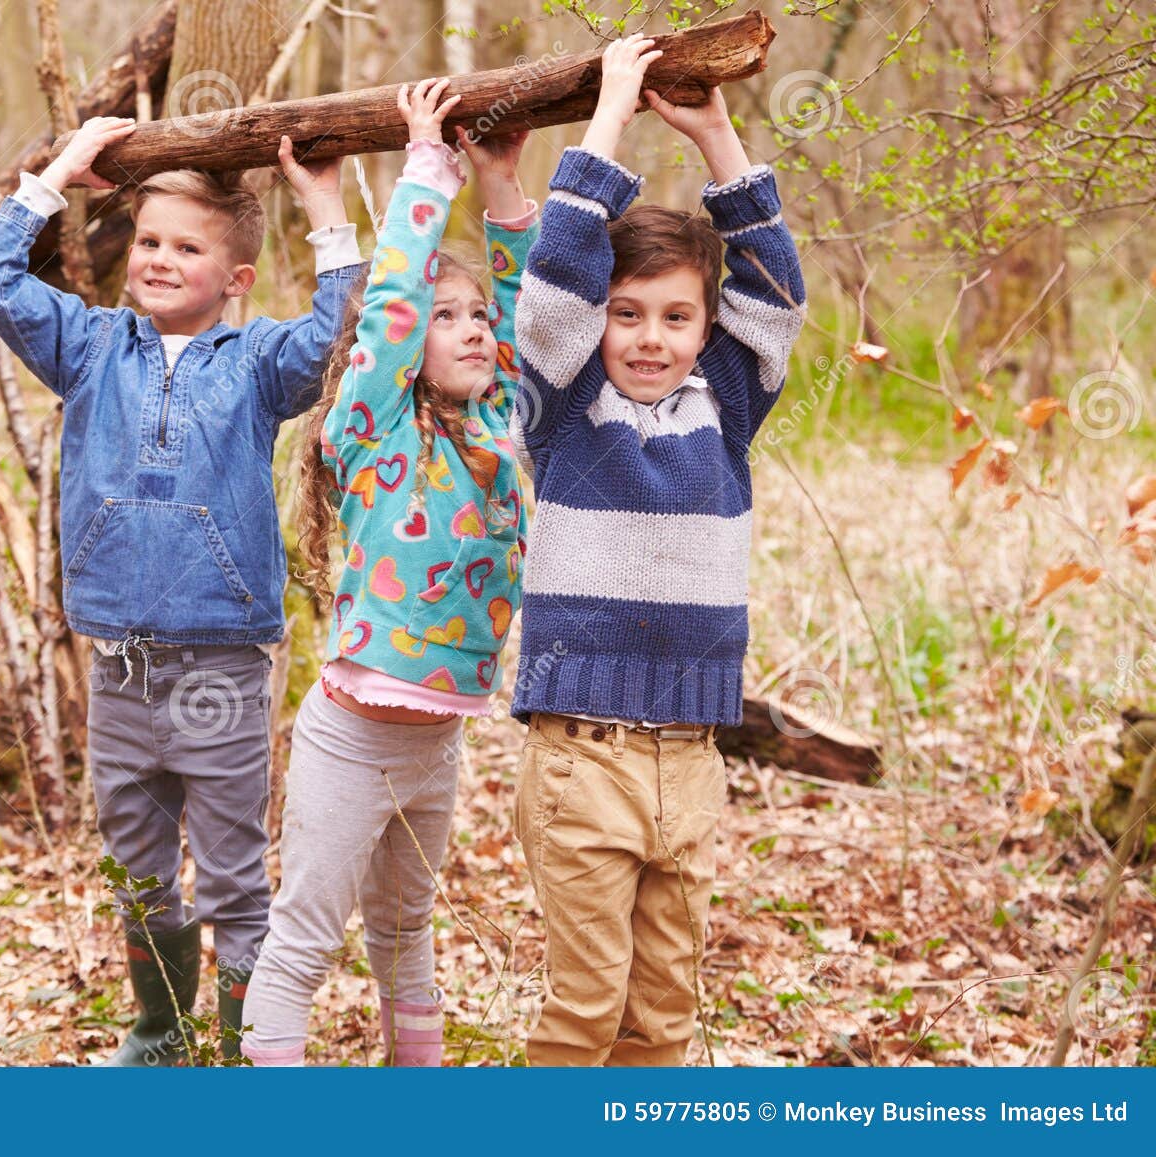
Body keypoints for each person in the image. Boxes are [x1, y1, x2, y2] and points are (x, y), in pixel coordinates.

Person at [0, 117, 362, 1065]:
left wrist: (322, 206)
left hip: (221, 658)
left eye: (187, 247)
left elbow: (340, 333)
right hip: (119, 668)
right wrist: (55, 174)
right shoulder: (89, 345)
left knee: (230, 877)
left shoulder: (260, 365)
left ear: (236, 281)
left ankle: (240, 1047)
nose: (159, 260)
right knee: (137, 866)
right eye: (147, 241)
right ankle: (160, 1031)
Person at [510, 33, 807, 1066]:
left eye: (676, 317)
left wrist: (717, 134)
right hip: (581, 758)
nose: (647, 336)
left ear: (701, 328)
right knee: (585, 1009)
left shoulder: (722, 407)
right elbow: (552, 287)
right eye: (626, 314)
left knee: (661, 1019)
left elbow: (772, 297)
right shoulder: (559, 408)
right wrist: (610, 114)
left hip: (689, 755)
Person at [240, 77, 538, 1067]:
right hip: (353, 738)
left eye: (474, 316)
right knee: (303, 942)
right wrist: (424, 166)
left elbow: (529, 321)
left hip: (436, 743)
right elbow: (389, 307)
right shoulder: (373, 431)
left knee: (409, 939)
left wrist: (502, 188)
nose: (467, 327)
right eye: (443, 316)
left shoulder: (496, 436)